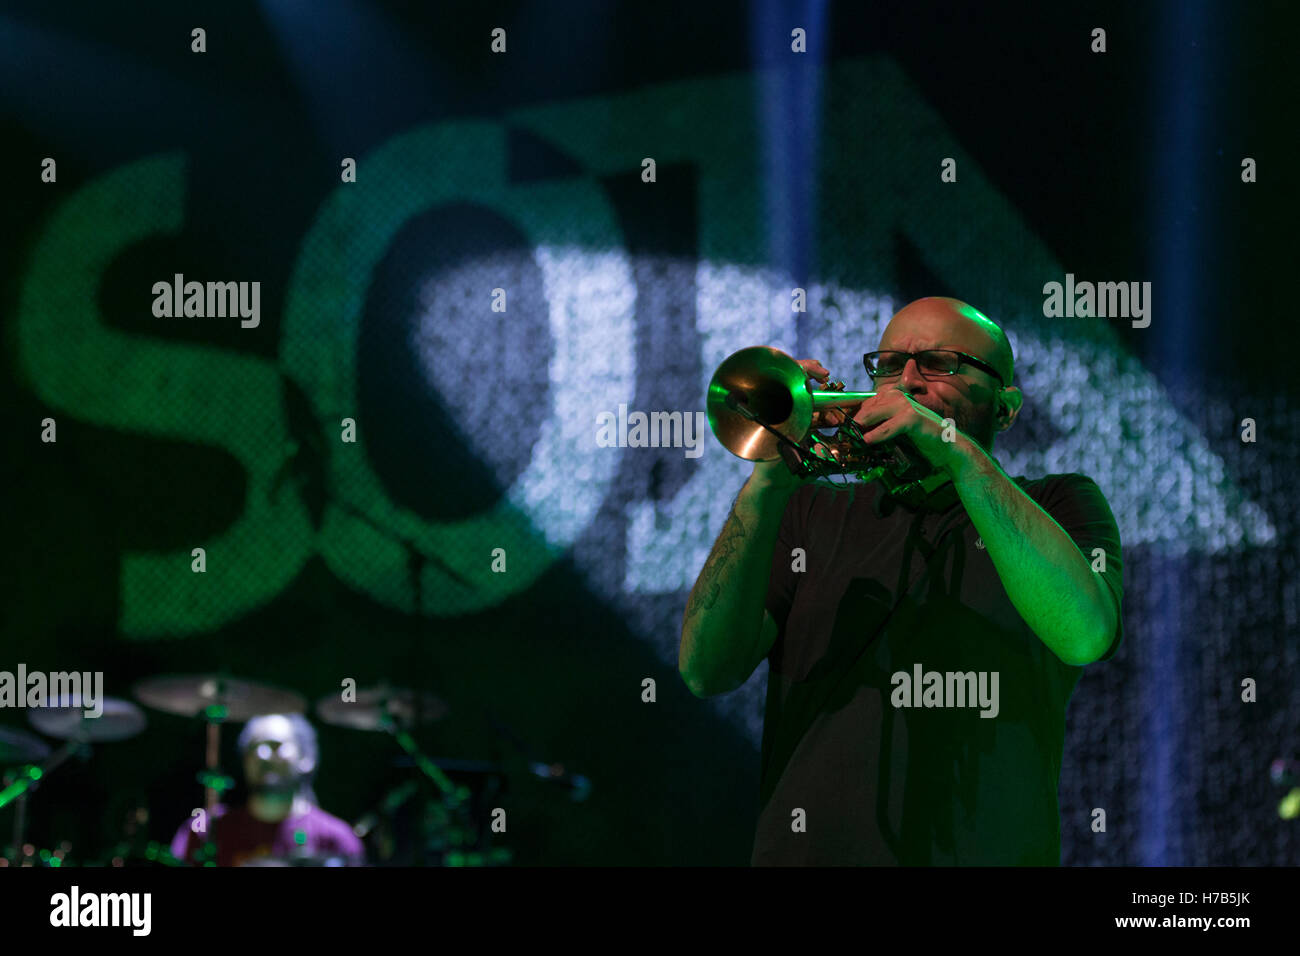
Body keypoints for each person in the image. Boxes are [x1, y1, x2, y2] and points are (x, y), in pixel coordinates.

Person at [679, 297, 1124, 865]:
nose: (907, 381)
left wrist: (956, 452)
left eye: (940, 363)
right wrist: (768, 483)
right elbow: (704, 670)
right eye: (890, 365)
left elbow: (1084, 634)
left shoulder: (1060, 502)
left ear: (1006, 408)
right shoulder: (809, 511)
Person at [170, 713, 365, 866]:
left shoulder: (337, 839)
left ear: (306, 758)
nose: (262, 755)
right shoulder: (204, 830)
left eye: (275, 745)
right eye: (254, 747)